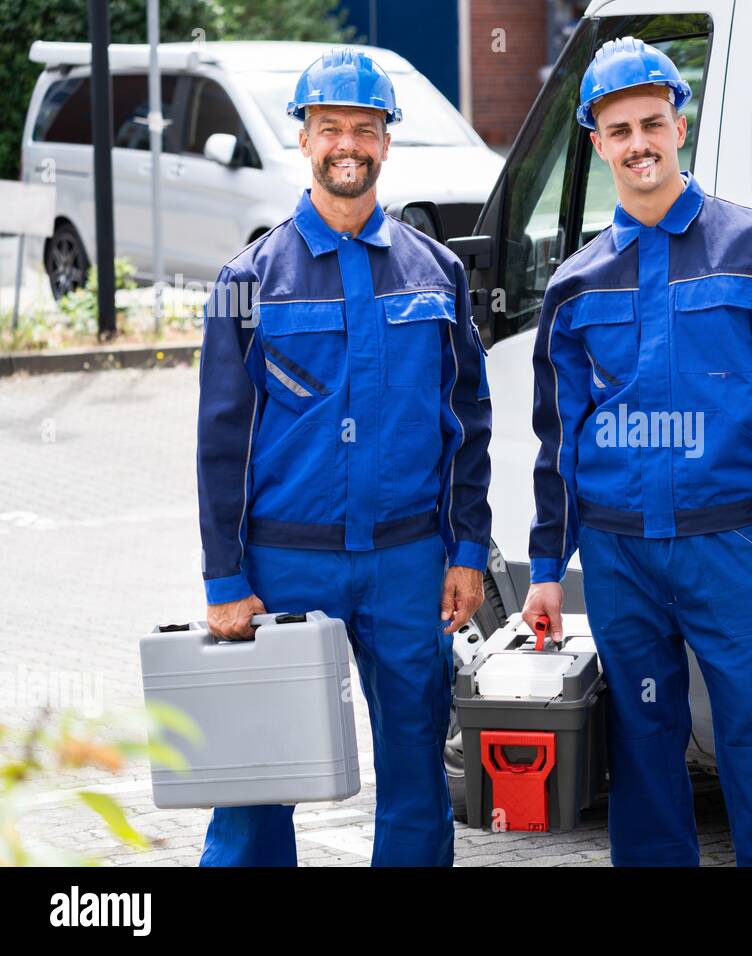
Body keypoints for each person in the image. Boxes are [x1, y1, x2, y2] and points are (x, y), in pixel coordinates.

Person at [521, 37, 752, 866]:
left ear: (679, 123)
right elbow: (558, 440)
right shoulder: (576, 284)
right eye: (619, 130)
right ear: (596, 144)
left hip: (732, 548)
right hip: (620, 555)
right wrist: (549, 571)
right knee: (642, 758)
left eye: (652, 123)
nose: (639, 144)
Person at [195, 48, 492, 866]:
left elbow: (468, 419)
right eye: (331, 128)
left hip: (408, 563)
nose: (348, 145)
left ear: (387, 142)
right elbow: (220, 446)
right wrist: (226, 581)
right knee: (257, 776)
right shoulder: (246, 281)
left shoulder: (438, 272)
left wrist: (467, 548)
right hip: (286, 565)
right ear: (305, 139)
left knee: (415, 768)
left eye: (366, 128)